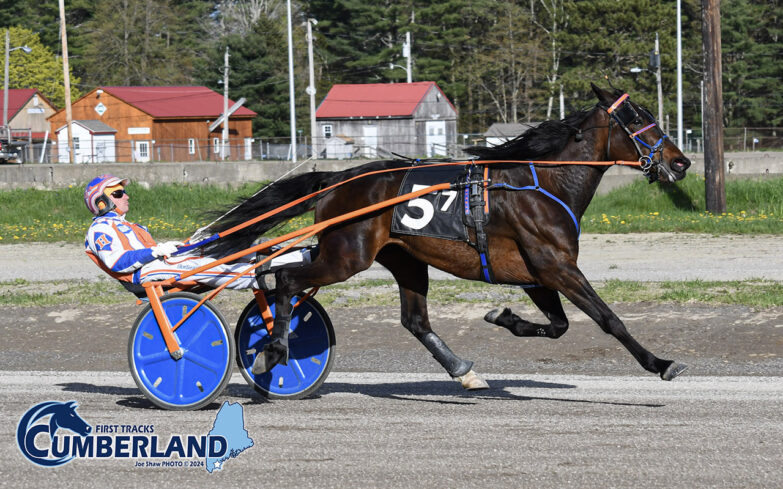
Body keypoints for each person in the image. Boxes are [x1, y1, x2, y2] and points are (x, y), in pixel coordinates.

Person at [83, 174, 309, 293]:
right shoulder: (100, 230)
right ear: (101, 203)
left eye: (124, 192)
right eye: (119, 193)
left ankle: (301, 258)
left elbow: (152, 252)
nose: (127, 196)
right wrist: (156, 251)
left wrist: (188, 244)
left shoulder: (132, 226)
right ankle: (260, 280)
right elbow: (117, 262)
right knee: (207, 267)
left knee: (227, 247)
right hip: (142, 275)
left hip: (159, 263)